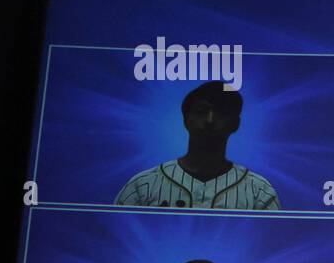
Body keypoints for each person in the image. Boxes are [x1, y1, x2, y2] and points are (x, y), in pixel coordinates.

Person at [115, 81, 280, 209]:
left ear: (235, 123)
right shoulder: (143, 185)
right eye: (201, 111)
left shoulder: (259, 191)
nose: (210, 120)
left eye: (221, 112)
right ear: (186, 119)